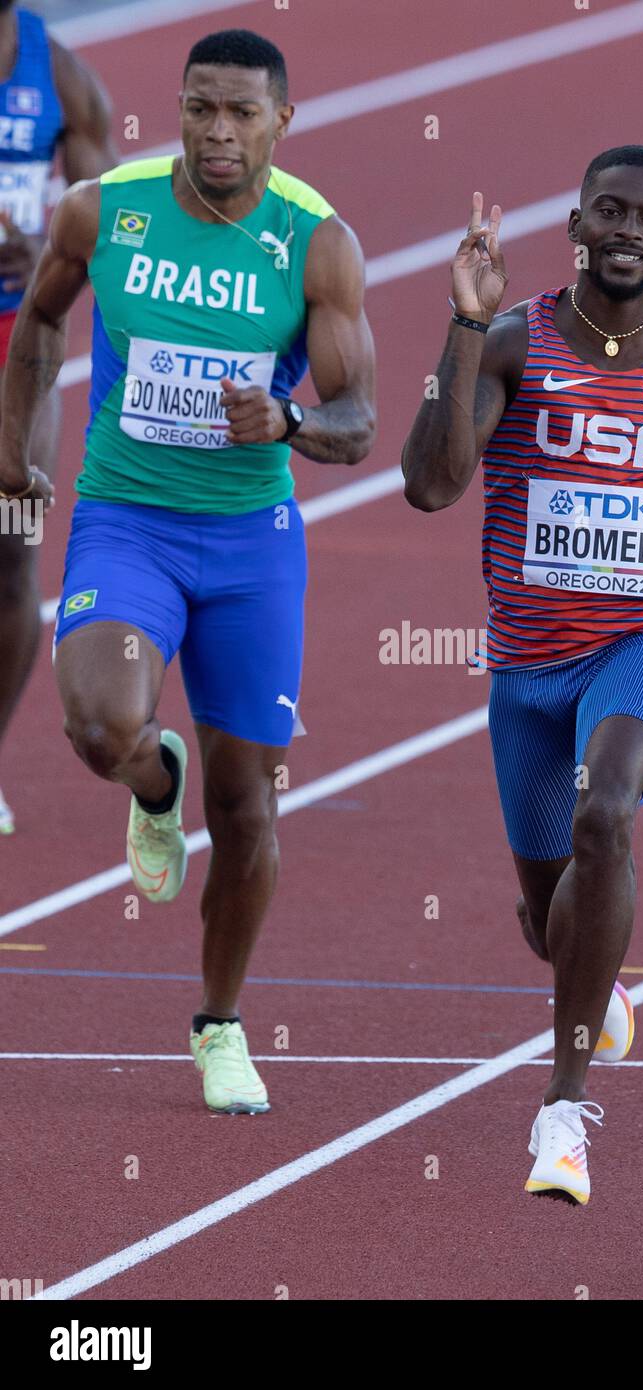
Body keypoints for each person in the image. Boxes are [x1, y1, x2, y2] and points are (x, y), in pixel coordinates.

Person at [0, 28, 376, 1113]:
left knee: (250, 804)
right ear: (176, 106)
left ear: (280, 122)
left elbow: (358, 424)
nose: (218, 132)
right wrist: (20, 450)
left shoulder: (315, 243)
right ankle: (149, 783)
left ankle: (219, 1025)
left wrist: (293, 418)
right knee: (99, 728)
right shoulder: (105, 209)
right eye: (199, 109)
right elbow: (35, 323)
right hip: (126, 520)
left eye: (241, 114)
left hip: (250, 545)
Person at [402, 146, 643, 1203]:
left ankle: (560, 1109)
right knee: (546, 921)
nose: (624, 231)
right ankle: (588, 971)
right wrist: (464, 324)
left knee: (604, 817)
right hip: (527, 664)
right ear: (573, 222)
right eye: (605, 212)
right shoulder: (517, 341)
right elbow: (430, 487)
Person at [0, 0, 116, 834]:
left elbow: (108, 220)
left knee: (11, 546)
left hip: (14, 335)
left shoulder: (61, 76)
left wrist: (42, 249)